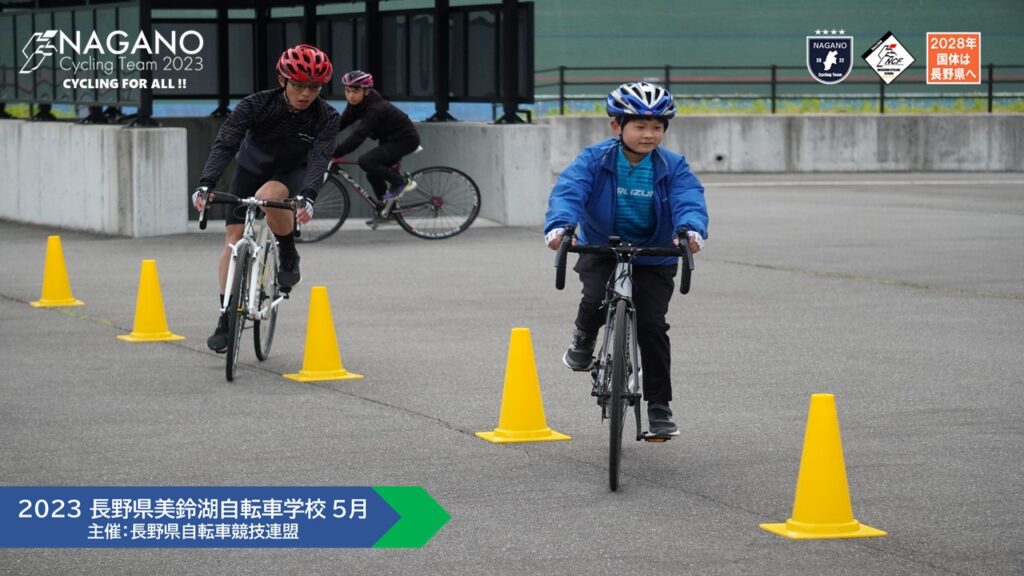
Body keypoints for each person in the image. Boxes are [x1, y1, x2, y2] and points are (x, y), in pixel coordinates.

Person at [544, 81, 709, 437]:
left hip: (654, 254)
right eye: (640, 126)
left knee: (652, 326)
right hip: (602, 247)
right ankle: (584, 338)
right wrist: (561, 227)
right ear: (616, 126)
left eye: (657, 127)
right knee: (593, 298)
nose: (649, 134)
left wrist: (690, 230)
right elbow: (569, 191)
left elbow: (688, 198)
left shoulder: (673, 165)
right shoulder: (595, 158)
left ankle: (659, 407)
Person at [192, 43, 339, 353]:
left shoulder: (326, 116)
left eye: (313, 87)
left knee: (268, 195)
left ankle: (287, 251)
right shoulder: (256, 104)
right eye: (298, 85)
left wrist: (308, 196)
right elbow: (226, 142)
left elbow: (320, 158)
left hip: (290, 172)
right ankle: (225, 318)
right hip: (250, 167)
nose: (305, 94)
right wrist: (206, 184)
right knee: (233, 241)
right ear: (283, 80)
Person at [332, 70, 421, 222]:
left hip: (406, 139)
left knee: (366, 161)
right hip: (389, 139)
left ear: (366, 91)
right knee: (372, 173)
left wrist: (336, 152)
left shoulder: (375, 109)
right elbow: (339, 124)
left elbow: (359, 136)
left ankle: (401, 182)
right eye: (347, 91)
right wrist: (316, 138)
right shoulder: (356, 104)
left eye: (356, 91)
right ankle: (388, 210)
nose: (351, 95)